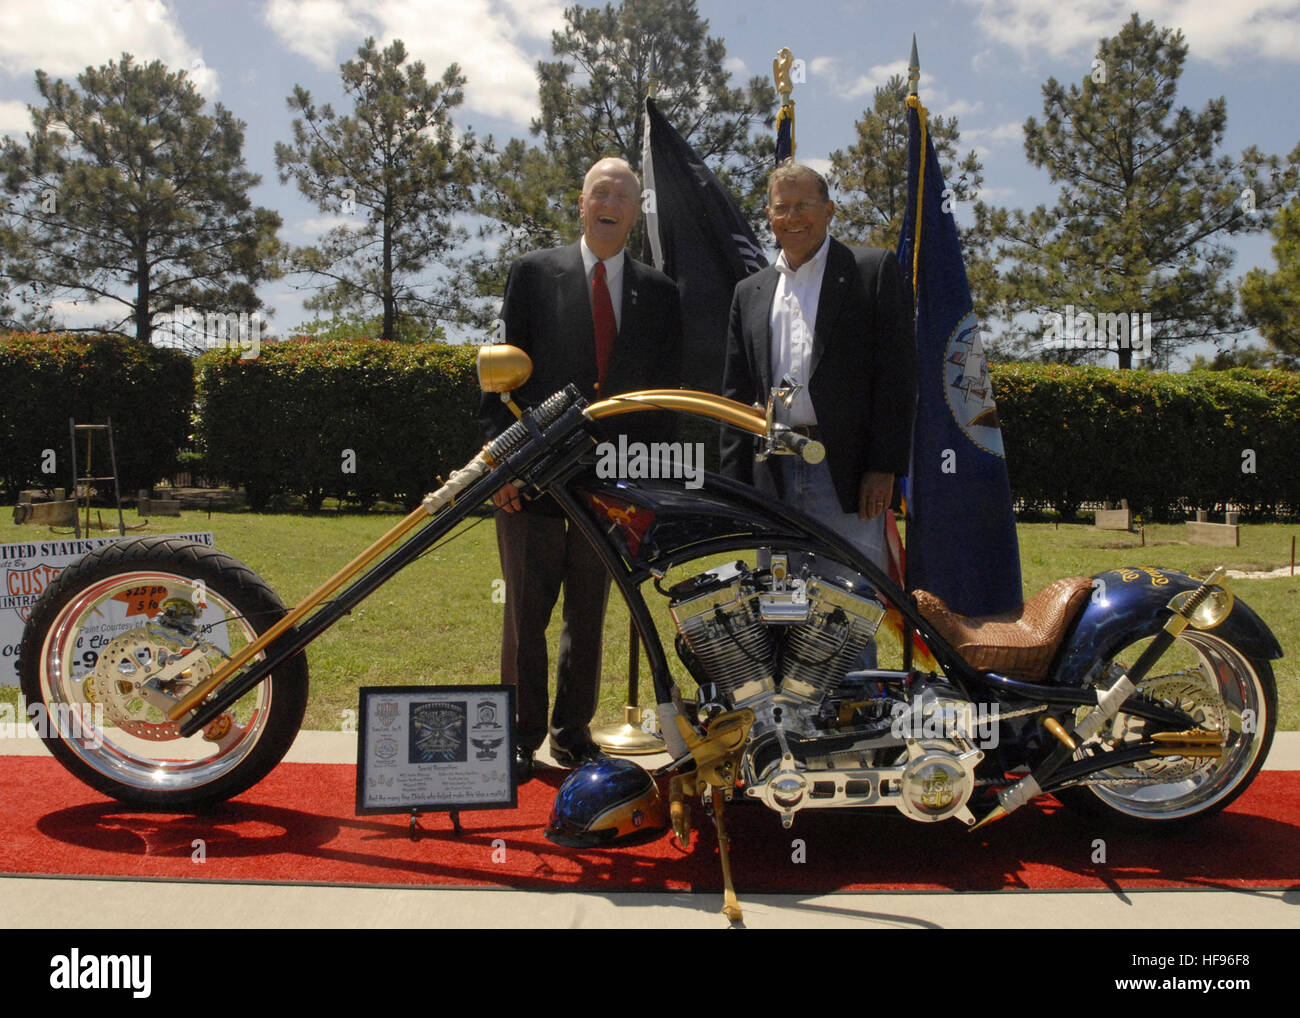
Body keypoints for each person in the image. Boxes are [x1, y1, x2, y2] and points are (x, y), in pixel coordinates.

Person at [480, 157, 683, 783]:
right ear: (581, 202)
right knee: (526, 615)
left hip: (610, 486)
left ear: (634, 212)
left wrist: (651, 486)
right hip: (533, 479)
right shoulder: (534, 274)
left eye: (624, 193)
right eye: (602, 190)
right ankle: (520, 737)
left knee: (588, 614)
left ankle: (572, 735)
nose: (612, 202)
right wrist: (501, 465)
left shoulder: (661, 293)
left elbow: (665, 397)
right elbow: (497, 374)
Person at [720, 162, 915, 631]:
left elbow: (897, 377)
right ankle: (794, 705)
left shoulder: (872, 271)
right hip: (773, 476)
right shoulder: (750, 292)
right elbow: (734, 394)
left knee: (843, 612)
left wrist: (882, 466)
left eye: (804, 206)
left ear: (829, 210)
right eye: (782, 208)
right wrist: (736, 487)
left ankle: (853, 705)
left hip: (844, 476)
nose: (793, 217)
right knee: (781, 607)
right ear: (768, 215)